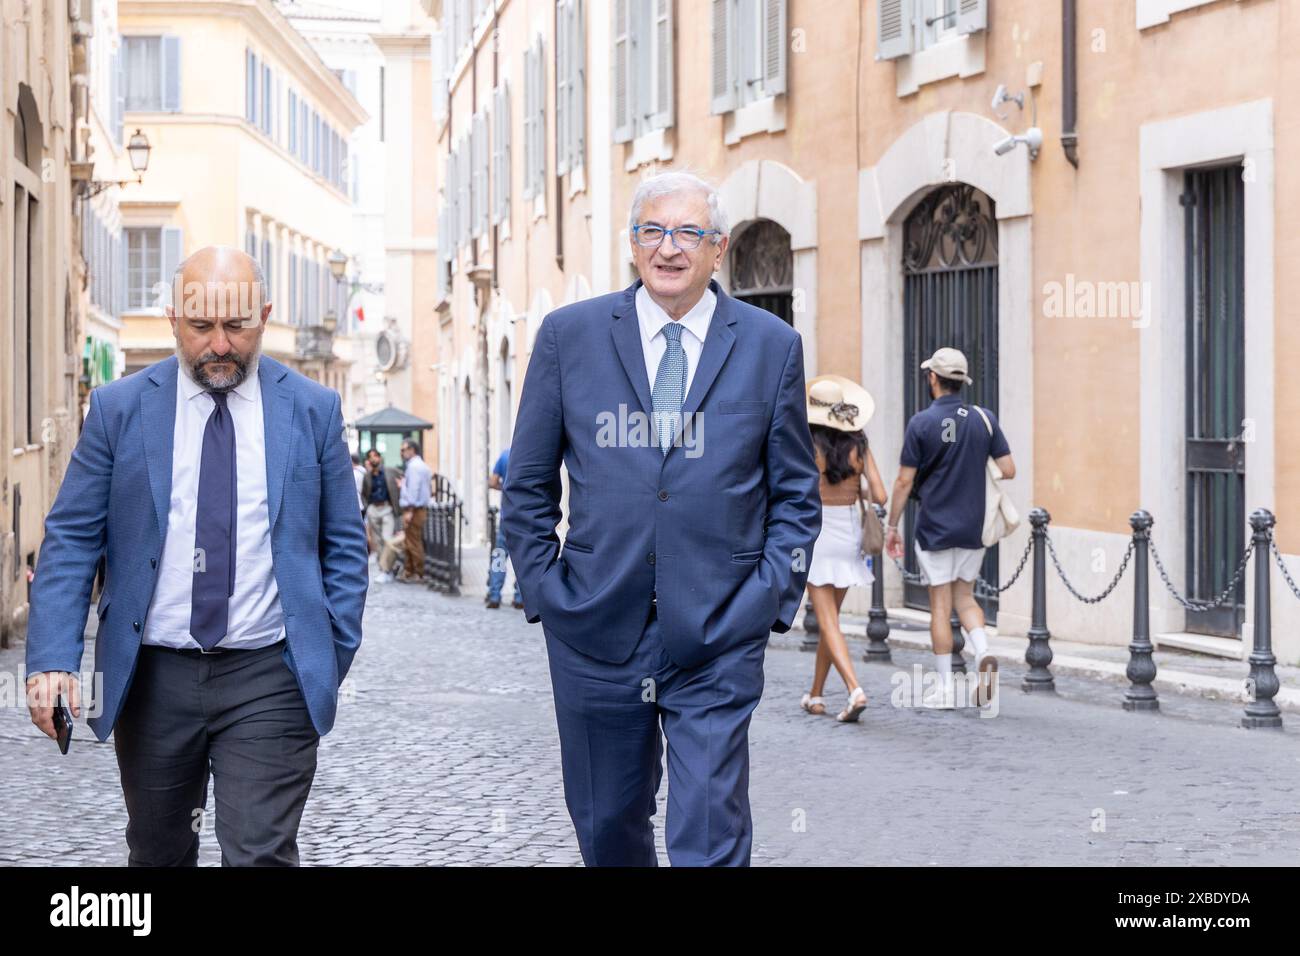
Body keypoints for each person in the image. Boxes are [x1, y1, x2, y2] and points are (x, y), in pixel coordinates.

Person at [502, 171, 821, 866]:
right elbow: (526, 485)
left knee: (710, 830)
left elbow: (796, 494)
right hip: (592, 628)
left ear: (719, 248)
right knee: (608, 825)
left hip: (717, 632)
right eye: (653, 230)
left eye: (688, 233)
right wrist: (548, 594)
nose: (668, 248)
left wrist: (765, 600)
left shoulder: (771, 347)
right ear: (632, 244)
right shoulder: (569, 337)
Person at [24, 246, 368, 865]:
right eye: (201, 326)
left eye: (235, 326)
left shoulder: (313, 411)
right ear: (173, 319)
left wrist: (324, 656)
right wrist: (52, 656)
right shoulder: (118, 410)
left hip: (270, 676)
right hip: (153, 677)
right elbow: (72, 536)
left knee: (260, 852)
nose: (219, 345)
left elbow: (344, 547)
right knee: (158, 852)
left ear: (263, 317)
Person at [885, 347, 1015, 709]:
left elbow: (903, 482)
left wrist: (891, 524)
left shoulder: (921, 424)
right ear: (962, 381)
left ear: (933, 379)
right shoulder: (983, 418)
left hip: (934, 527)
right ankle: (983, 652)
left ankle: (945, 689)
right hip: (973, 526)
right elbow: (1008, 468)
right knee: (966, 598)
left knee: (940, 607)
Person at [801, 376, 888, 723]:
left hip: (817, 534)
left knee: (828, 621)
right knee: (830, 622)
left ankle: (854, 689)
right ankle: (816, 695)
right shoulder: (859, 445)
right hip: (848, 534)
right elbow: (880, 495)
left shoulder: (807, 445)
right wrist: (855, 491)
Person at [486, 447, 522, 609]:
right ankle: (520, 598)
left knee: (499, 556)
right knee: (522, 558)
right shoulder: (533, 455)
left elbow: (492, 482)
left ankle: (494, 594)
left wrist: (506, 487)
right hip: (526, 518)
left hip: (507, 516)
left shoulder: (505, 456)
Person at [398, 439, 432, 583]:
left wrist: (410, 510)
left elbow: (414, 489)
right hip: (417, 508)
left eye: (404, 449)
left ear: (412, 450)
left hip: (414, 509)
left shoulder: (414, 467)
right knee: (411, 541)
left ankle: (417, 572)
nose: (402, 453)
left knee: (413, 542)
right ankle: (410, 571)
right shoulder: (420, 465)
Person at [360, 448, 401, 561]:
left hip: (387, 508)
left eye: (375, 456)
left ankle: (387, 568)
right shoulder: (367, 476)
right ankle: (382, 567)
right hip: (373, 509)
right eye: (370, 457)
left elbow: (403, 479)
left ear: (380, 457)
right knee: (377, 540)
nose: (373, 458)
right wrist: (368, 508)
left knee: (387, 538)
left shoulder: (390, 471)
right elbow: (364, 494)